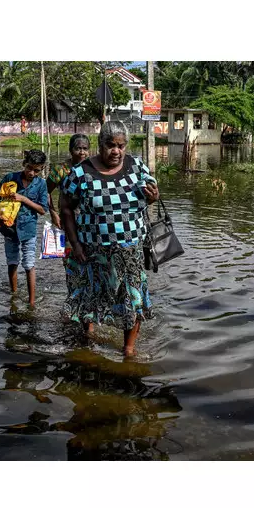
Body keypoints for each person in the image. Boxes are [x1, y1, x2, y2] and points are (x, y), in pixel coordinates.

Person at [60, 121, 160, 357]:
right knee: (88, 298)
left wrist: (154, 196)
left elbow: (152, 191)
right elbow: (65, 208)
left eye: (121, 146)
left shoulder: (136, 166)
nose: (116, 151)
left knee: (132, 298)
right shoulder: (81, 173)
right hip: (92, 252)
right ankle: (88, 340)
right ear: (100, 144)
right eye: (110, 145)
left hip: (130, 250)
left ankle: (128, 350)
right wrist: (74, 244)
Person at [0, 149, 49, 307]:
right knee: (12, 262)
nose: (31, 172)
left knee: (29, 264)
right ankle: (14, 295)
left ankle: (31, 302)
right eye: (29, 168)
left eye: (36, 170)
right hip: (9, 228)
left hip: (28, 229)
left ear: (42, 169)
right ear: (24, 164)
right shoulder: (11, 178)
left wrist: (23, 199)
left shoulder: (41, 184)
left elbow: (43, 209)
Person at [46, 133, 90, 230]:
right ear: (70, 150)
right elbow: (45, 191)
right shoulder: (61, 169)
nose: (82, 152)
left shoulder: (92, 168)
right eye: (78, 148)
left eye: (85, 149)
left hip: (89, 220)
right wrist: (53, 213)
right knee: (69, 244)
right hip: (67, 218)